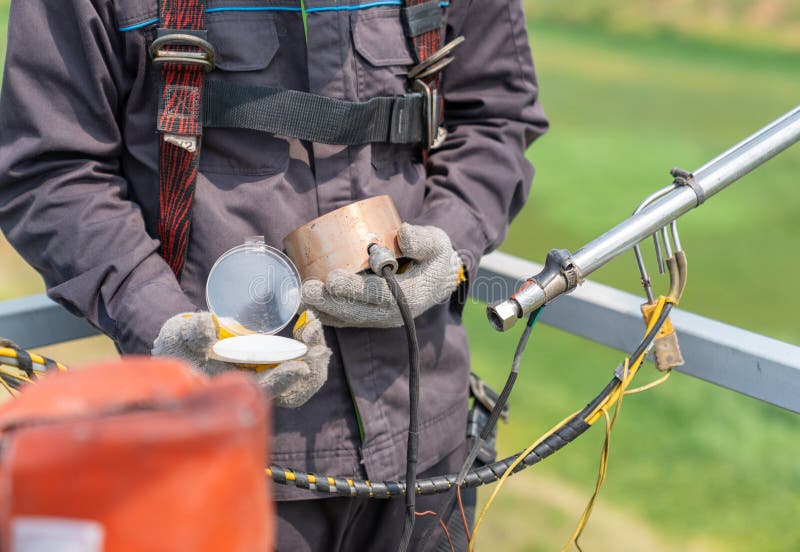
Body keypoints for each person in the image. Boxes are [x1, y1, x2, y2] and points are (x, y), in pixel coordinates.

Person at [0, 0, 548, 549]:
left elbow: (498, 118)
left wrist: (447, 243)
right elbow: (53, 169)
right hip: (225, 461)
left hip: (429, 452)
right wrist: (162, 324)